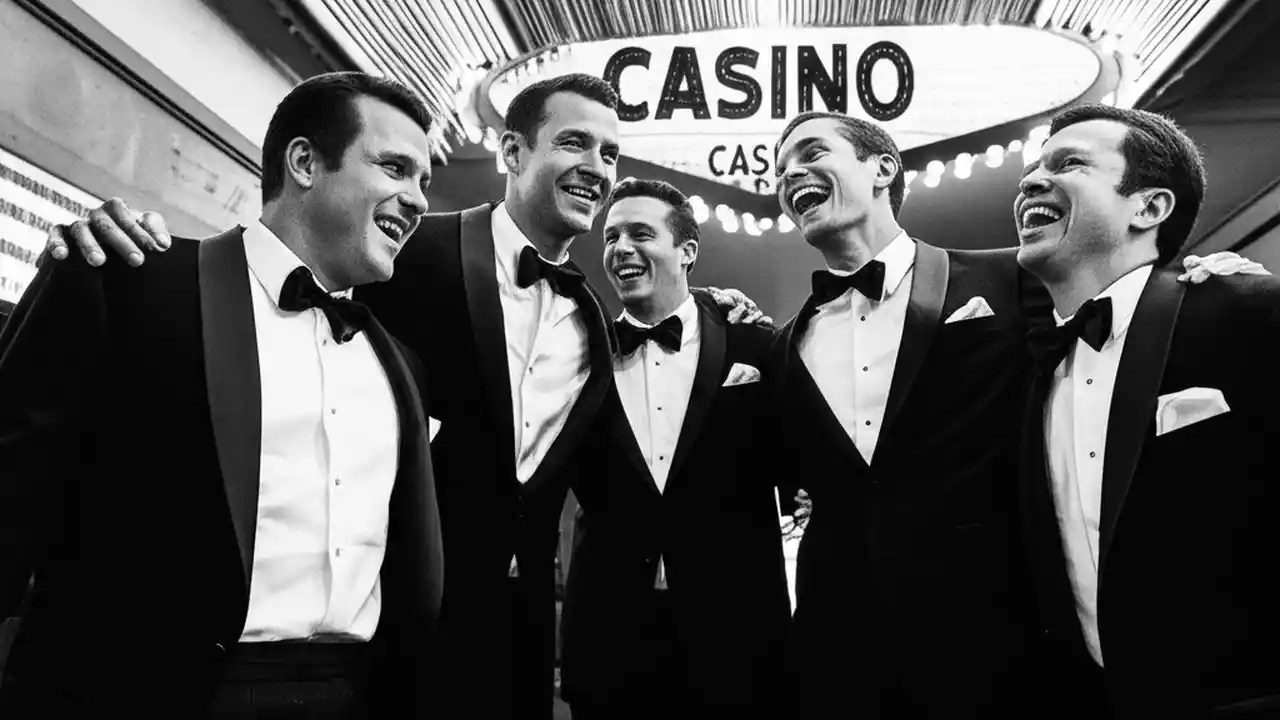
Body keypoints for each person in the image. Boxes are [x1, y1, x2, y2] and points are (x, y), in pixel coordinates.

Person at [38, 72, 764, 719]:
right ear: (512, 153)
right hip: (383, 635)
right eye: (575, 143)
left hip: (519, 639)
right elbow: (271, 295)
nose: (597, 169)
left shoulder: (597, 327)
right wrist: (128, 241)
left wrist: (713, 313)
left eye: (611, 154)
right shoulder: (402, 247)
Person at [767, 110, 1264, 719]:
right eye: (780, 167)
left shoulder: (1016, 275)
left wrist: (1209, 280)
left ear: (883, 169)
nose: (791, 173)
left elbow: (1117, 294)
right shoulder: (779, 345)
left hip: (998, 646)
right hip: (845, 650)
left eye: (811, 153)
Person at [0, 71, 443, 717]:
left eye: (424, 182)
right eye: (396, 169)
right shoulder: (125, 281)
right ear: (304, 163)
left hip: (348, 694)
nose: (419, 199)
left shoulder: (400, 362)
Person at [1015, 104, 1280, 718]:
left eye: (1069, 164)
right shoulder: (1025, 363)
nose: (1031, 180)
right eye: (1031, 168)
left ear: (1149, 208)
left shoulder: (1251, 312)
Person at [559, 179, 789, 720]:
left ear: (688, 251)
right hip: (611, 637)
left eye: (641, 233)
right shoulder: (576, 353)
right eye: (611, 236)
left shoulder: (755, 343)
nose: (621, 248)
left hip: (736, 634)